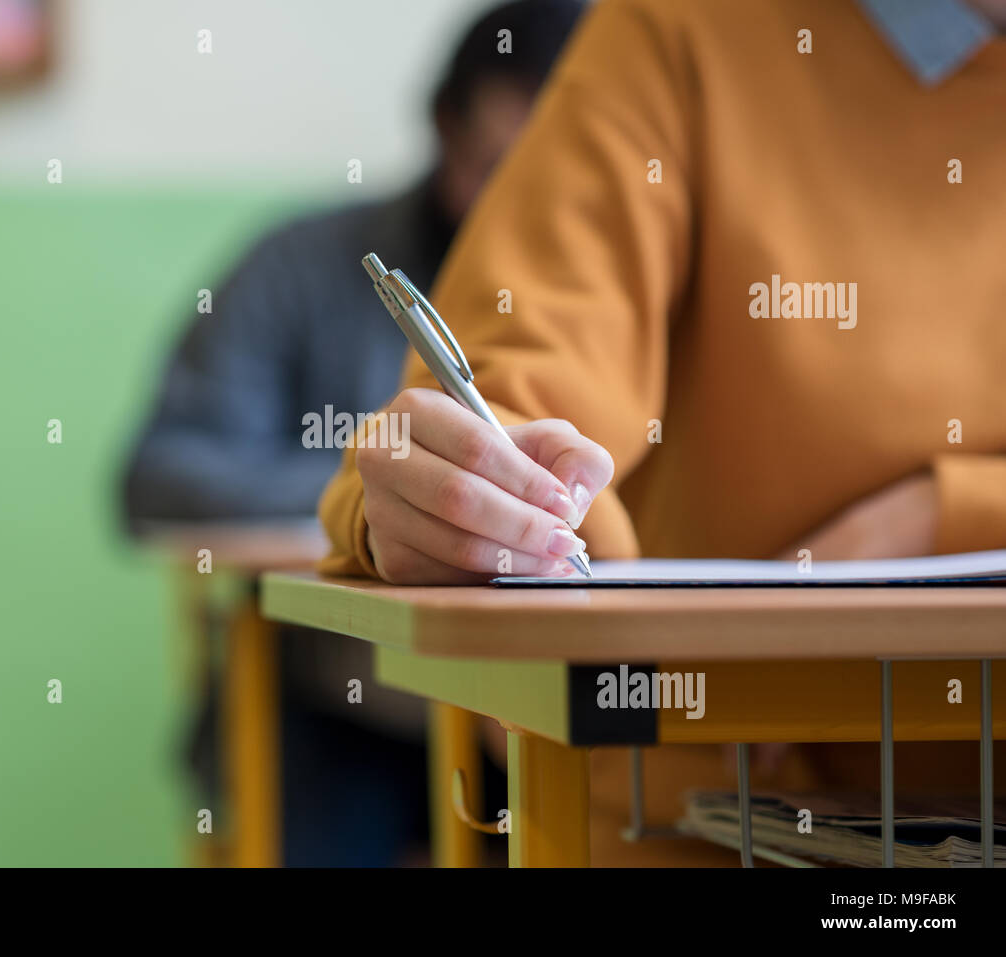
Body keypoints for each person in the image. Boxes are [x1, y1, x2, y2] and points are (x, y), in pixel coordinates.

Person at [320, 0, 1006, 864]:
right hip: (697, 820)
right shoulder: (682, 31)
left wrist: (937, 521)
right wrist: (466, 489)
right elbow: (516, 382)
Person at [121, 0, 590, 865]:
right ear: (448, 133)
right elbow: (159, 477)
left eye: (564, 176)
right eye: (499, 168)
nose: (528, 210)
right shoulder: (300, 266)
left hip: (552, 709)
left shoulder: (628, 286)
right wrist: (379, 496)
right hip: (342, 712)